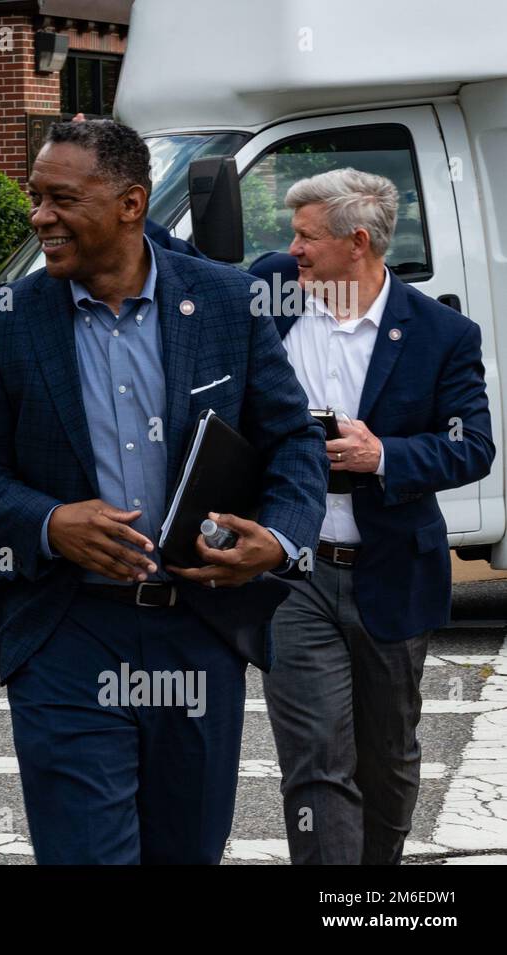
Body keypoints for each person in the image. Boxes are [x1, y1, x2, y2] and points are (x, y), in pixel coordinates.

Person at [0, 118, 328, 864]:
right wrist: (50, 521)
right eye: (35, 196)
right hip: (67, 632)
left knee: (186, 850)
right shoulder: (6, 324)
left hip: (196, 630)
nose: (39, 216)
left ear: (130, 203)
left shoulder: (225, 302)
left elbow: (295, 441)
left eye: (60, 198)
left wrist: (276, 537)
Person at [249, 168, 494, 864]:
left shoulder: (442, 333)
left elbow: (470, 445)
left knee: (386, 760)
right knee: (316, 761)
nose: (290, 248)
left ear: (357, 241)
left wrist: (382, 453)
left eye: (305, 236)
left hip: (389, 574)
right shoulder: (272, 294)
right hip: (294, 574)